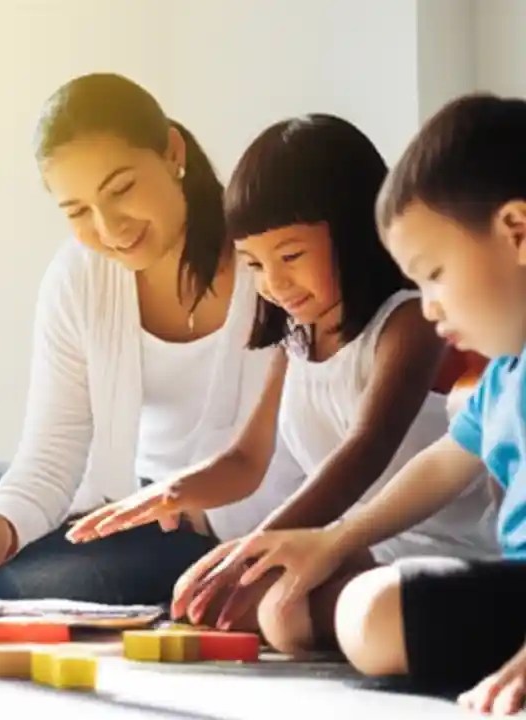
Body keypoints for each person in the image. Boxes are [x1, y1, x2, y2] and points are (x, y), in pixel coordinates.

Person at [69, 115, 500, 643]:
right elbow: (247, 458)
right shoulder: (298, 339)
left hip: (433, 542)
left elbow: (365, 450)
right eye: (253, 264)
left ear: (352, 231)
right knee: (247, 605)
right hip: (356, 541)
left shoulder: (409, 322)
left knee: (281, 610)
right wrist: (171, 492)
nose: (273, 283)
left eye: (291, 256)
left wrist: (259, 542)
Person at [198, 94, 526, 716]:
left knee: (371, 613)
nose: (429, 305)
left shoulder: (406, 328)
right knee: (347, 609)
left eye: (435, 273)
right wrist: (330, 540)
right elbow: (438, 465)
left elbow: (372, 446)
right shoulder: (508, 372)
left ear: (517, 232)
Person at [0, 73, 304, 603]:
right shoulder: (78, 278)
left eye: (122, 189)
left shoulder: (266, 264)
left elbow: (292, 453)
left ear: (172, 151)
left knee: (25, 582)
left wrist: (193, 507)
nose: (108, 228)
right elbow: (53, 450)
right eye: (77, 211)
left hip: (209, 527)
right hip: (119, 503)